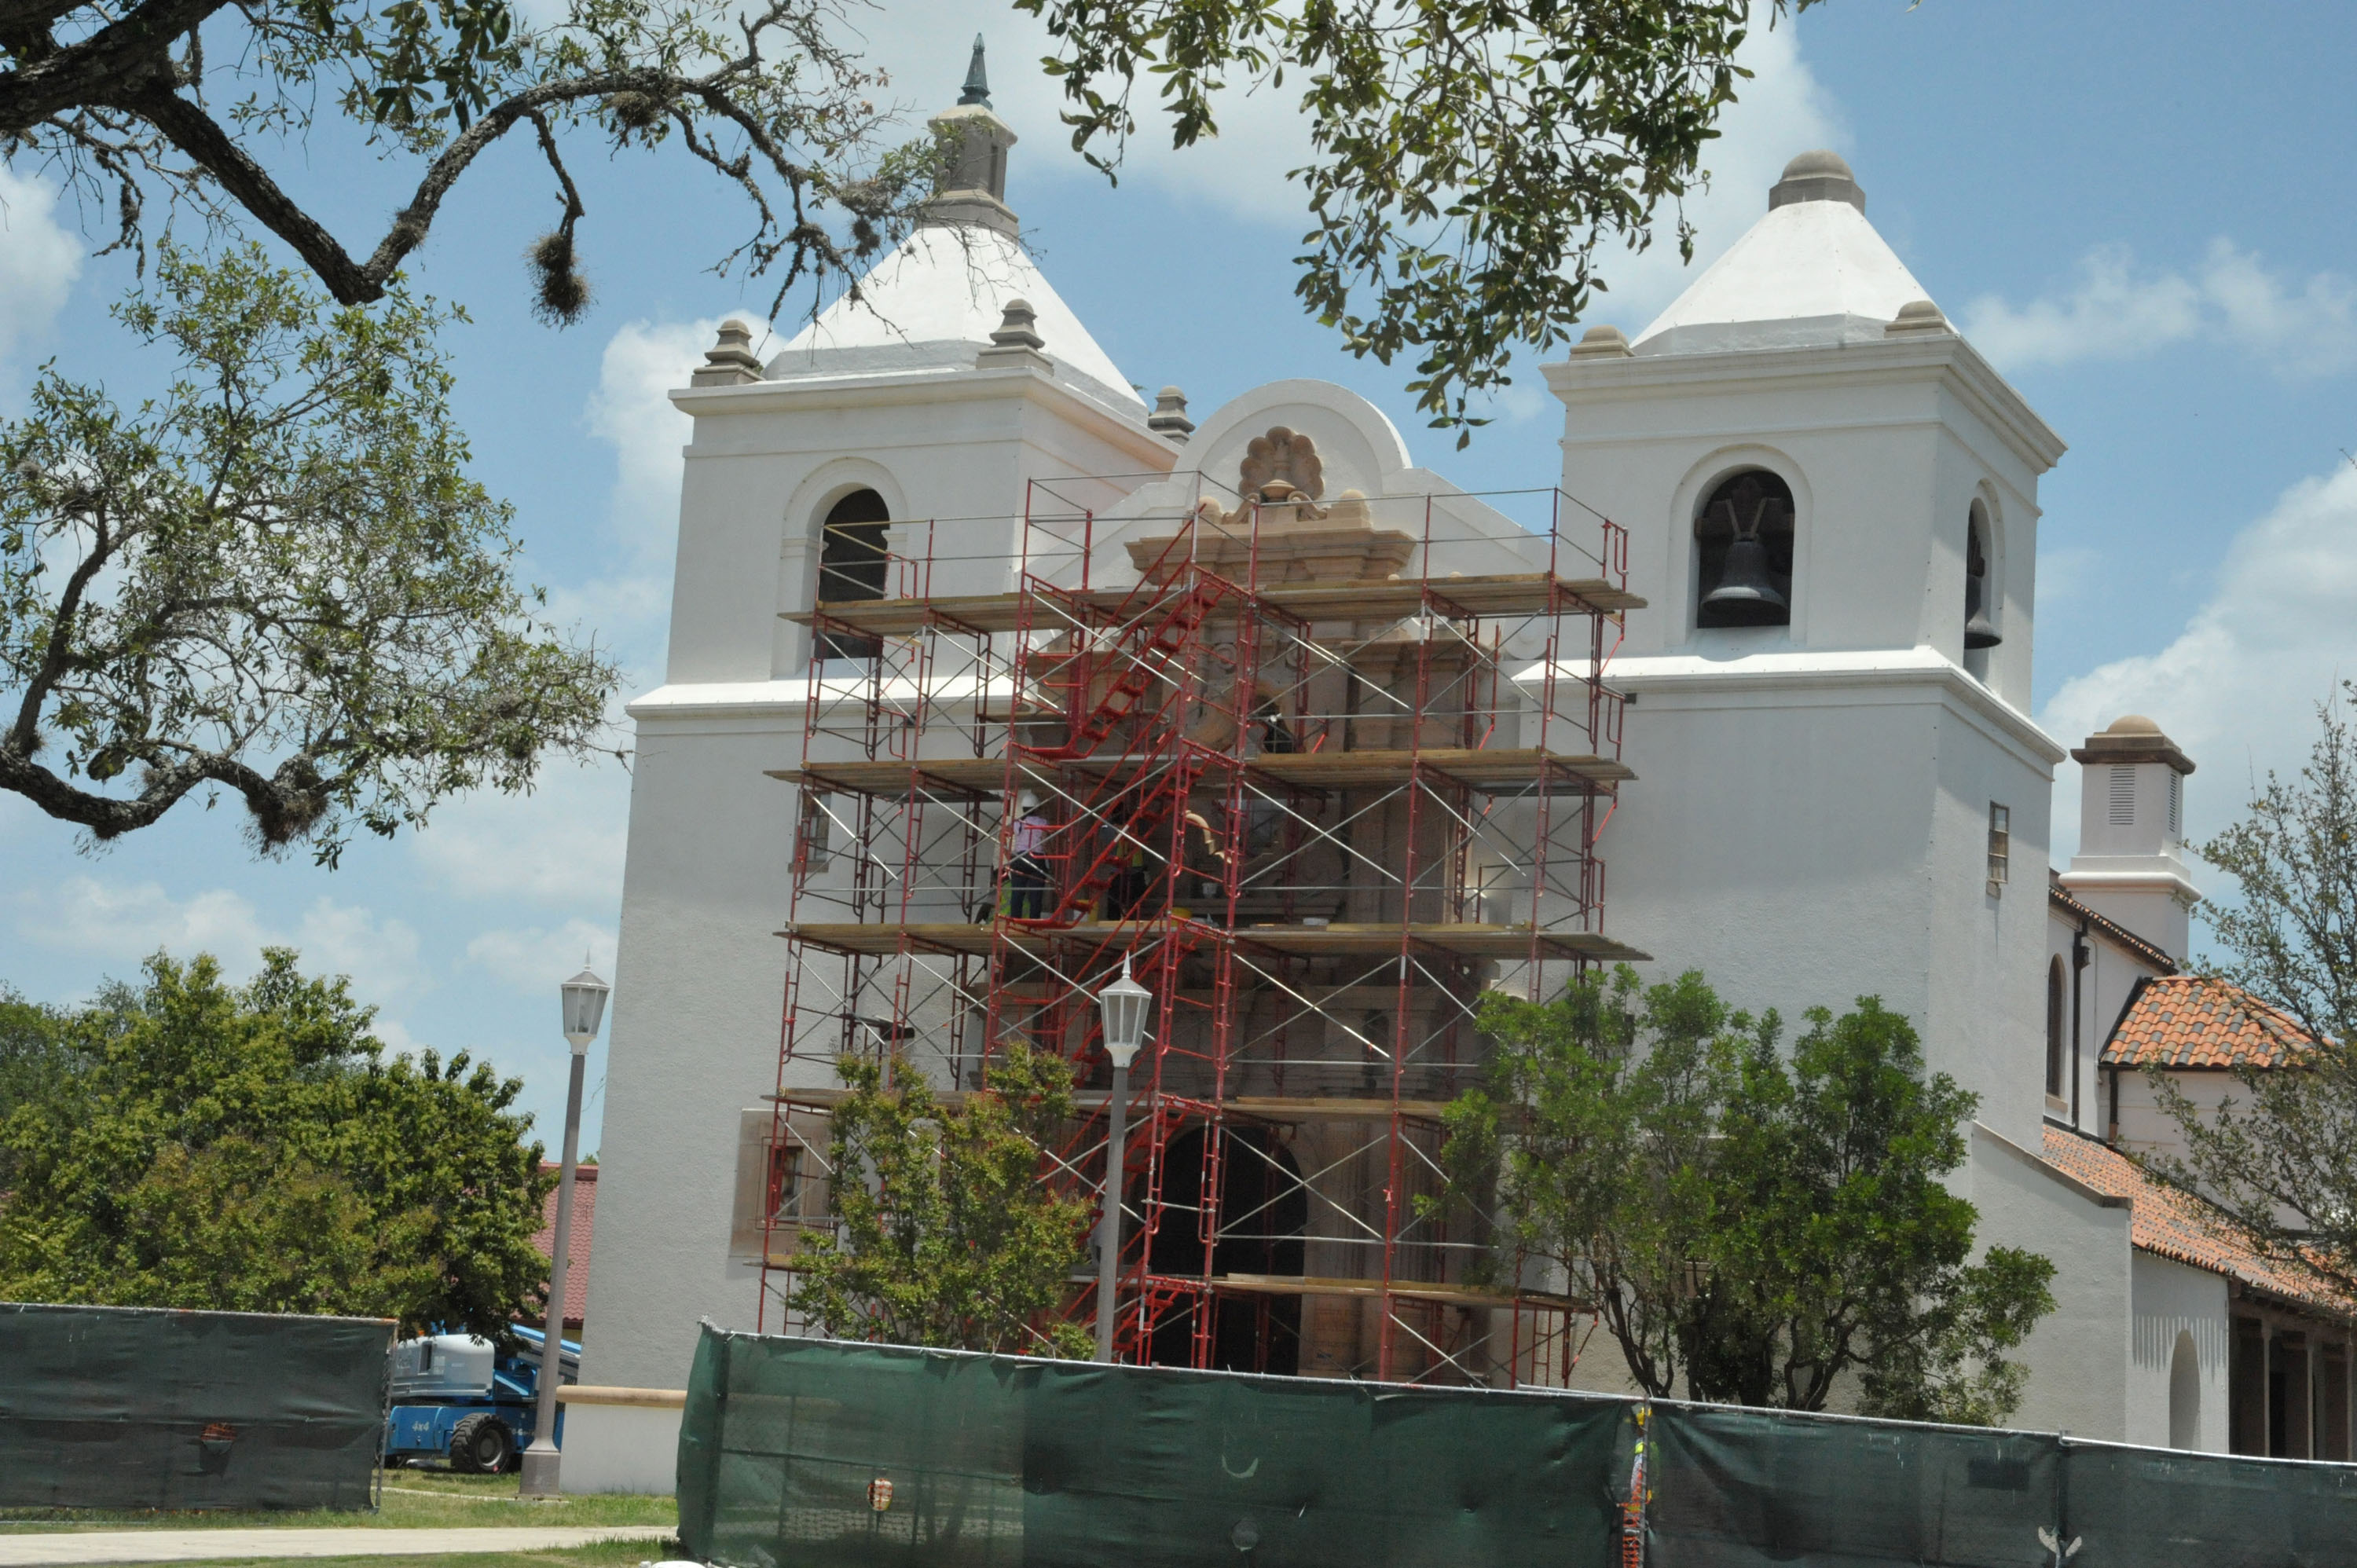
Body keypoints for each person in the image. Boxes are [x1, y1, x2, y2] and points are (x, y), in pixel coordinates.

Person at [1008, 792, 1053, 919]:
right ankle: (1034, 922)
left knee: (1017, 893)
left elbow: (1003, 833)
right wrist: (1051, 859)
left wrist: (1008, 855)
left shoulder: (1018, 823)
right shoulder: (1043, 822)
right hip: (1036, 858)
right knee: (1036, 895)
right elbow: (1045, 844)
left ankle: (1015, 920)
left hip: (1019, 858)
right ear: (1037, 807)